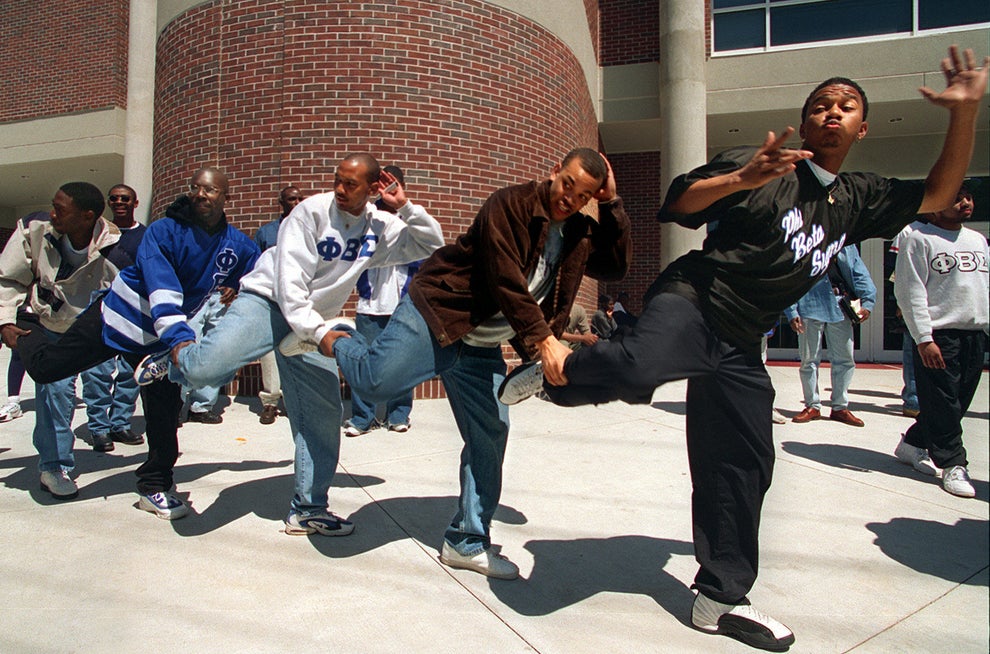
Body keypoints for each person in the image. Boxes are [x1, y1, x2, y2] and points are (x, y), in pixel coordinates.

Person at [504, 47, 987, 651]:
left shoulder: (859, 196)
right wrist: (743, 178)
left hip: (741, 341)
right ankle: (558, 372)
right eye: (820, 105)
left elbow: (940, 190)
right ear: (805, 120)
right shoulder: (765, 163)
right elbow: (678, 204)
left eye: (846, 107)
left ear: (862, 129)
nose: (831, 112)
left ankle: (720, 599)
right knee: (636, 367)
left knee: (745, 465)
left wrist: (964, 112)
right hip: (695, 299)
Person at [329, 148, 630, 578]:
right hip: (438, 314)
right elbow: (504, 278)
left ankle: (466, 539)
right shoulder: (509, 204)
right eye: (567, 185)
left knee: (491, 432)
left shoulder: (580, 231)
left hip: (480, 346)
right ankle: (335, 337)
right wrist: (544, 342)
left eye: (583, 195)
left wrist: (612, 204)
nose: (569, 199)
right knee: (376, 384)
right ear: (554, 172)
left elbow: (616, 267)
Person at [143, 153, 443, 536]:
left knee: (321, 417)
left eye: (350, 184)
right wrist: (319, 335)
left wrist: (405, 207)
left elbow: (430, 245)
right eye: (337, 179)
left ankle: (308, 509)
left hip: (312, 321)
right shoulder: (311, 213)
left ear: (373, 190)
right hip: (268, 303)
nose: (339, 189)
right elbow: (290, 288)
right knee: (204, 368)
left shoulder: (380, 225)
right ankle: (169, 362)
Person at [10, 168, 260, 517]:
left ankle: (154, 486)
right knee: (44, 369)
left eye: (212, 190)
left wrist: (246, 288)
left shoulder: (238, 245)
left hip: (156, 341)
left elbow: (261, 275)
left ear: (226, 198)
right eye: (196, 188)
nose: (202, 195)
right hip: (116, 318)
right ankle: (25, 323)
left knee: (163, 413)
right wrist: (180, 340)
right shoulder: (163, 231)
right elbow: (162, 287)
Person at [0, 188, 121, 499]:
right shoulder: (34, 228)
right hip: (43, 320)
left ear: (88, 217)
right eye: (53, 207)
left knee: (100, 383)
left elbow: (130, 295)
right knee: (55, 391)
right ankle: (53, 466)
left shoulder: (115, 248)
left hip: (90, 328)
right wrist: (6, 321)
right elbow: (9, 277)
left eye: (60, 209)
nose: (52, 214)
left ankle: (103, 429)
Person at [894, 183, 987, 498]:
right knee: (944, 401)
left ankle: (913, 443)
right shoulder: (917, 238)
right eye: (956, 196)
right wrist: (923, 337)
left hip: (974, 332)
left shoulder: (978, 240)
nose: (965, 202)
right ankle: (953, 464)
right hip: (938, 335)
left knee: (955, 402)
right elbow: (910, 292)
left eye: (968, 196)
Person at [344, 165, 420, 437]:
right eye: (383, 183)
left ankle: (398, 414)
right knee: (364, 361)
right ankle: (362, 418)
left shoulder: (411, 218)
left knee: (403, 362)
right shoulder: (366, 216)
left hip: (401, 304)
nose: (388, 189)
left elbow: (424, 258)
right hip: (371, 303)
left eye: (394, 184)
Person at [80, 184, 146, 452]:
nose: (120, 202)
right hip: (100, 300)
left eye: (125, 198)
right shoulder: (97, 232)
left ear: (135, 202)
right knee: (98, 370)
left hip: (133, 304)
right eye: (115, 199)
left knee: (131, 371)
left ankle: (119, 423)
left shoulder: (146, 234)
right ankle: (98, 428)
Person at [785, 244, 876, 427]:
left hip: (840, 304)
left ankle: (840, 407)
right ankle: (812, 405)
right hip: (808, 305)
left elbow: (858, 271)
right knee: (809, 359)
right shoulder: (803, 243)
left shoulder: (846, 245)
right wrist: (792, 311)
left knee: (845, 359)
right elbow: (790, 277)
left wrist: (868, 300)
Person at [252, 185, 303, 424]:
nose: (296, 202)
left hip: (300, 299)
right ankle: (271, 402)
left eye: (299, 199)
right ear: (280, 203)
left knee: (299, 348)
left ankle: (295, 401)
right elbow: (256, 266)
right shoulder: (266, 233)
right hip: (272, 298)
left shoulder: (309, 230)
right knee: (269, 351)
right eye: (291, 199)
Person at [887, 218, 927, 417]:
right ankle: (913, 400)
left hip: (942, 305)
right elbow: (897, 269)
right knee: (913, 351)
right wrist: (900, 302)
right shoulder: (907, 231)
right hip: (916, 303)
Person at [178, 287, 232, 425]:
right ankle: (176, 406)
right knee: (187, 348)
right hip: (193, 291)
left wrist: (233, 285)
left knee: (216, 351)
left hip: (221, 295)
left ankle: (201, 407)